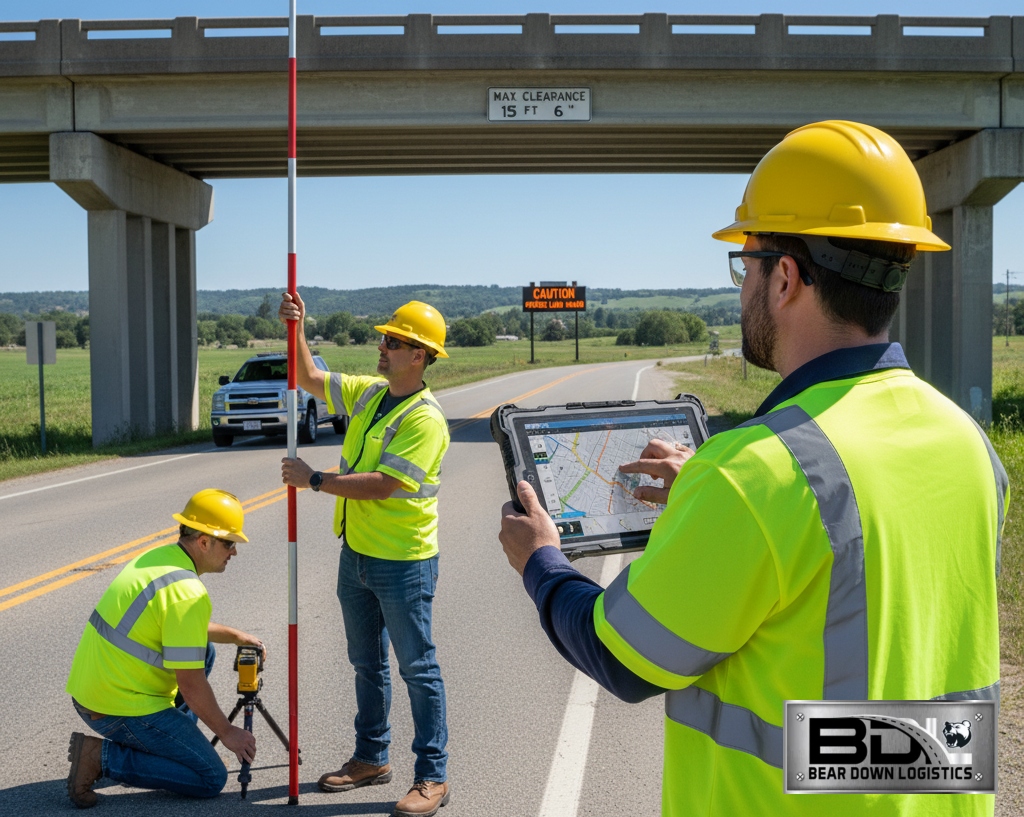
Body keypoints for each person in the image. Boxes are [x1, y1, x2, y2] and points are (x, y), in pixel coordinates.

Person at [498, 120, 1006, 817]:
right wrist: (718, 483)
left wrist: (541, 560)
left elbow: (619, 655)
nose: (743, 288)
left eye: (746, 265)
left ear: (786, 278)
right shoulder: (968, 442)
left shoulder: (755, 475)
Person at [279, 293, 451, 817]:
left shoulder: (425, 420)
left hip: (403, 561)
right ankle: (372, 757)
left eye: (393, 341)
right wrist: (298, 327)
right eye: (384, 337)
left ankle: (432, 777)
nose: (382, 345)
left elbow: (384, 484)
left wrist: (315, 480)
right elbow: (308, 377)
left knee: (417, 668)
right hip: (355, 554)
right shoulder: (372, 395)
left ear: (418, 355)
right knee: (365, 663)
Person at [65, 488, 266, 808]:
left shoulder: (159, 558)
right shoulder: (188, 591)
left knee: (204, 651)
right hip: (114, 707)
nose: (234, 552)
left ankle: (168, 743)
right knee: (210, 777)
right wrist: (227, 732)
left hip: (95, 691)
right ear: (204, 541)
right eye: (229, 543)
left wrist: (235, 636)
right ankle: (101, 758)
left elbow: (177, 630)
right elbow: (191, 683)